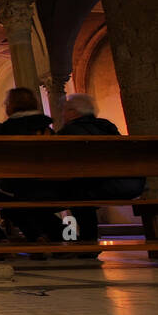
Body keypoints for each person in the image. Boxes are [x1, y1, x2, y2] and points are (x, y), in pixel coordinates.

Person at [56, 93, 145, 245]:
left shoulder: (69, 132)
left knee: (73, 192)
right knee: (76, 190)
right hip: (129, 183)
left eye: (65, 110)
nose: (63, 114)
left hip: (100, 184)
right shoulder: (107, 127)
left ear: (74, 112)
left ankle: (80, 239)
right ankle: (78, 238)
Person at [0, 87, 60, 244]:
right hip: (50, 185)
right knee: (20, 207)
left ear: (11, 105)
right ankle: (49, 237)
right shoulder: (47, 128)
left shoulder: (8, 129)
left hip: (17, 186)